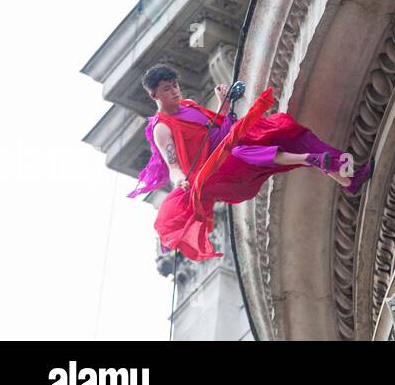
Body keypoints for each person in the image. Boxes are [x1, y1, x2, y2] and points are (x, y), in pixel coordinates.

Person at [127, 64, 373, 262]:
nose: (175, 91)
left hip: (233, 141)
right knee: (243, 151)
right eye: (168, 89)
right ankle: (307, 159)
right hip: (217, 171)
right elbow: (173, 166)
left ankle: (347, 177)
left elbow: (217, 128)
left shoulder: (189, 105)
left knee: (289, 131)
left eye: (175, 85)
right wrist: (180, 179)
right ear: (154, 95)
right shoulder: (161, 127)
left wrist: (224, 101)